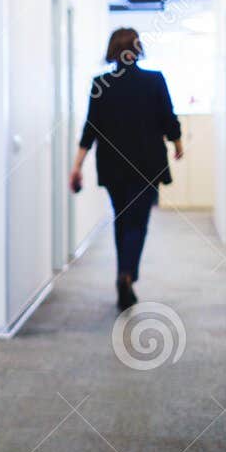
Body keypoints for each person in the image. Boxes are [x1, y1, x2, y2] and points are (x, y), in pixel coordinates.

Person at [68, 27, 183, 311]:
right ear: (137, 48)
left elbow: (90, 128)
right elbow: (168, 118)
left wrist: (77, 165)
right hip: (147, 165)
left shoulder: (100, 84)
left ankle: (124, 276)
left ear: (111, 51)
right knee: (138, 223)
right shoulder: (154, 80)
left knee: (121, 220)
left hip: (112, 166)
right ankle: (127, 274)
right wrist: (178, 143)